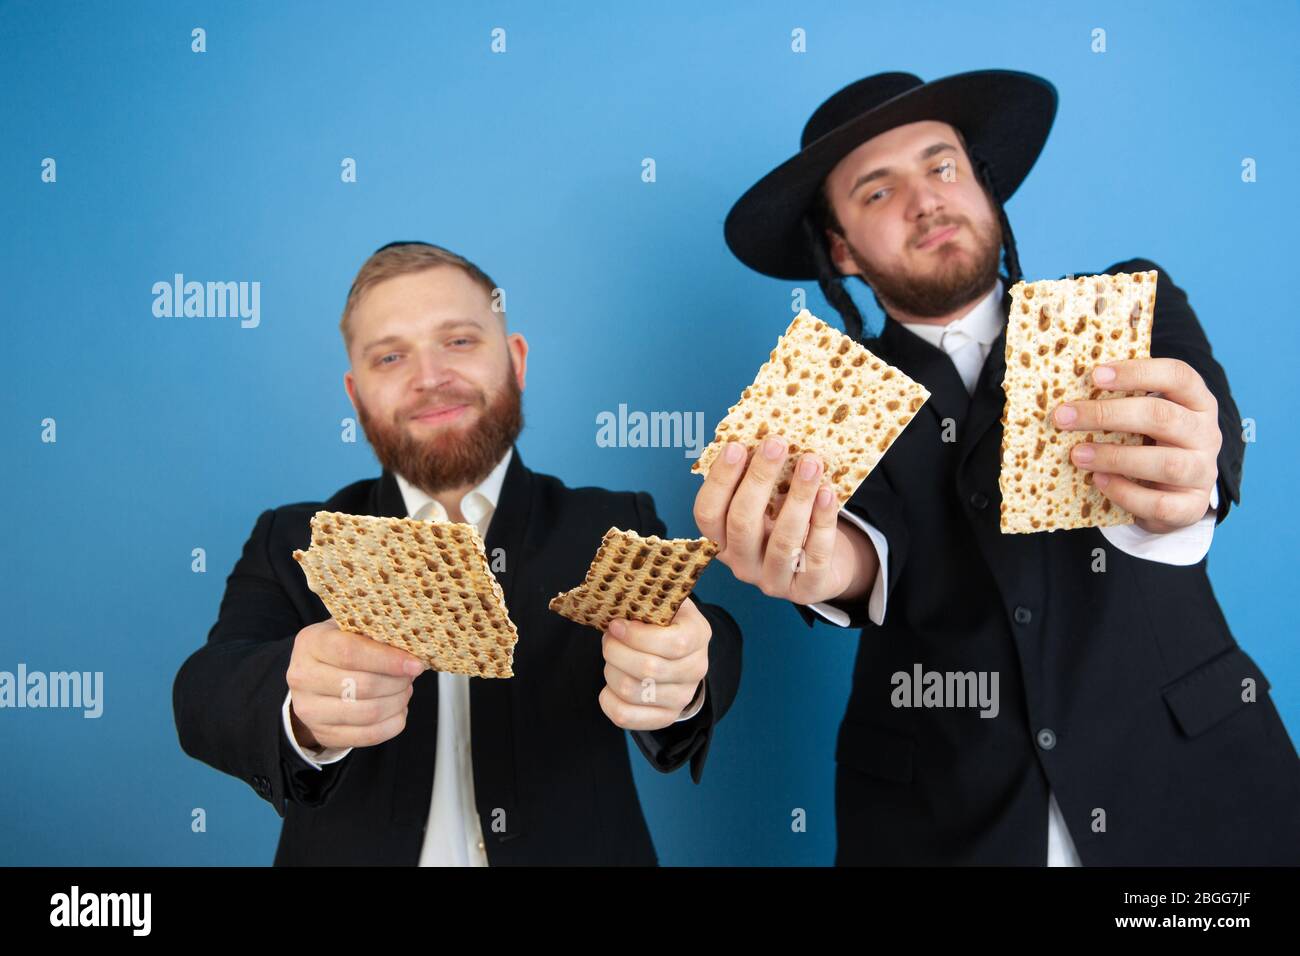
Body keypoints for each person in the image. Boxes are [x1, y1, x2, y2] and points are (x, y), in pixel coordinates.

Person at [696, 69, 1300, 864]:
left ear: (982, 183)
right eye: (877, 192)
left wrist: (1185, 483)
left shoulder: (1128, 307)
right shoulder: (825, 399)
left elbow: (1198, 460)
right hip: (935, 821)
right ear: (838, 247)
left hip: (1197, 791)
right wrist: (815, 559)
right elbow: (856, 538)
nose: (925, 200)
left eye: (942, 165)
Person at [174, 241, 742, 865]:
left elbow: (703, 636)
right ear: (355, 395)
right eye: (390, 356)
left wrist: (685, 673)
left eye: (460, 341)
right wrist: (295, 700)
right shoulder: (294, 539)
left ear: (516, 361)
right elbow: (206, 692)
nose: (429, 378)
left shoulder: (609, 526)